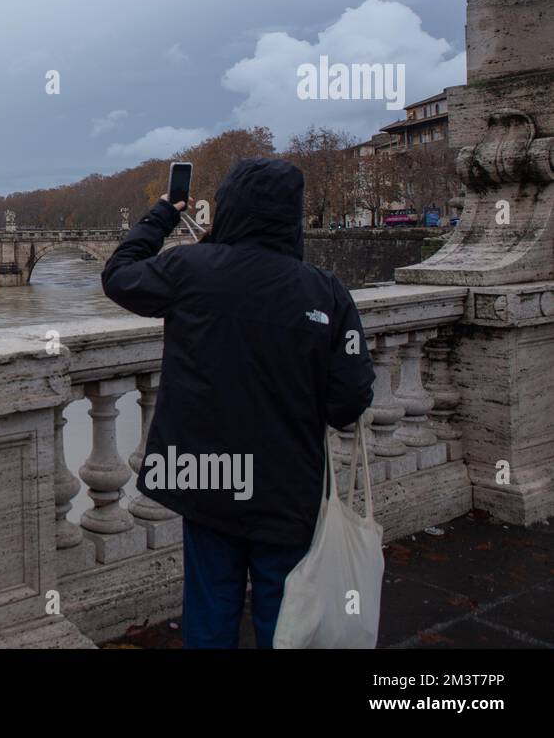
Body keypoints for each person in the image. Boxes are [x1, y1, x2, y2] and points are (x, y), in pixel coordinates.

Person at [101, 157, 374, 648]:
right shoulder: (327, 292)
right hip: (287, 485)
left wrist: (164, 213)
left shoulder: (191, 269)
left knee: (210, 612)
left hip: (206, 477)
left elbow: (118, 274)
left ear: (228, 209)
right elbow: (348, 401)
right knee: (287, 617)